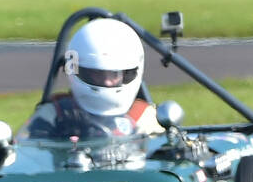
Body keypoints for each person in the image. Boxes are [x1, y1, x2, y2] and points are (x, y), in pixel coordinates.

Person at [21, 18, 163, 140]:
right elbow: (28, 152)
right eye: (98, 73)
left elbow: (165, 157)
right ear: (78, 70)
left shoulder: (144, 116)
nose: (107, 81)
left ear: (128, 74)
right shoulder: (56, 113)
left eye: (114, 74)